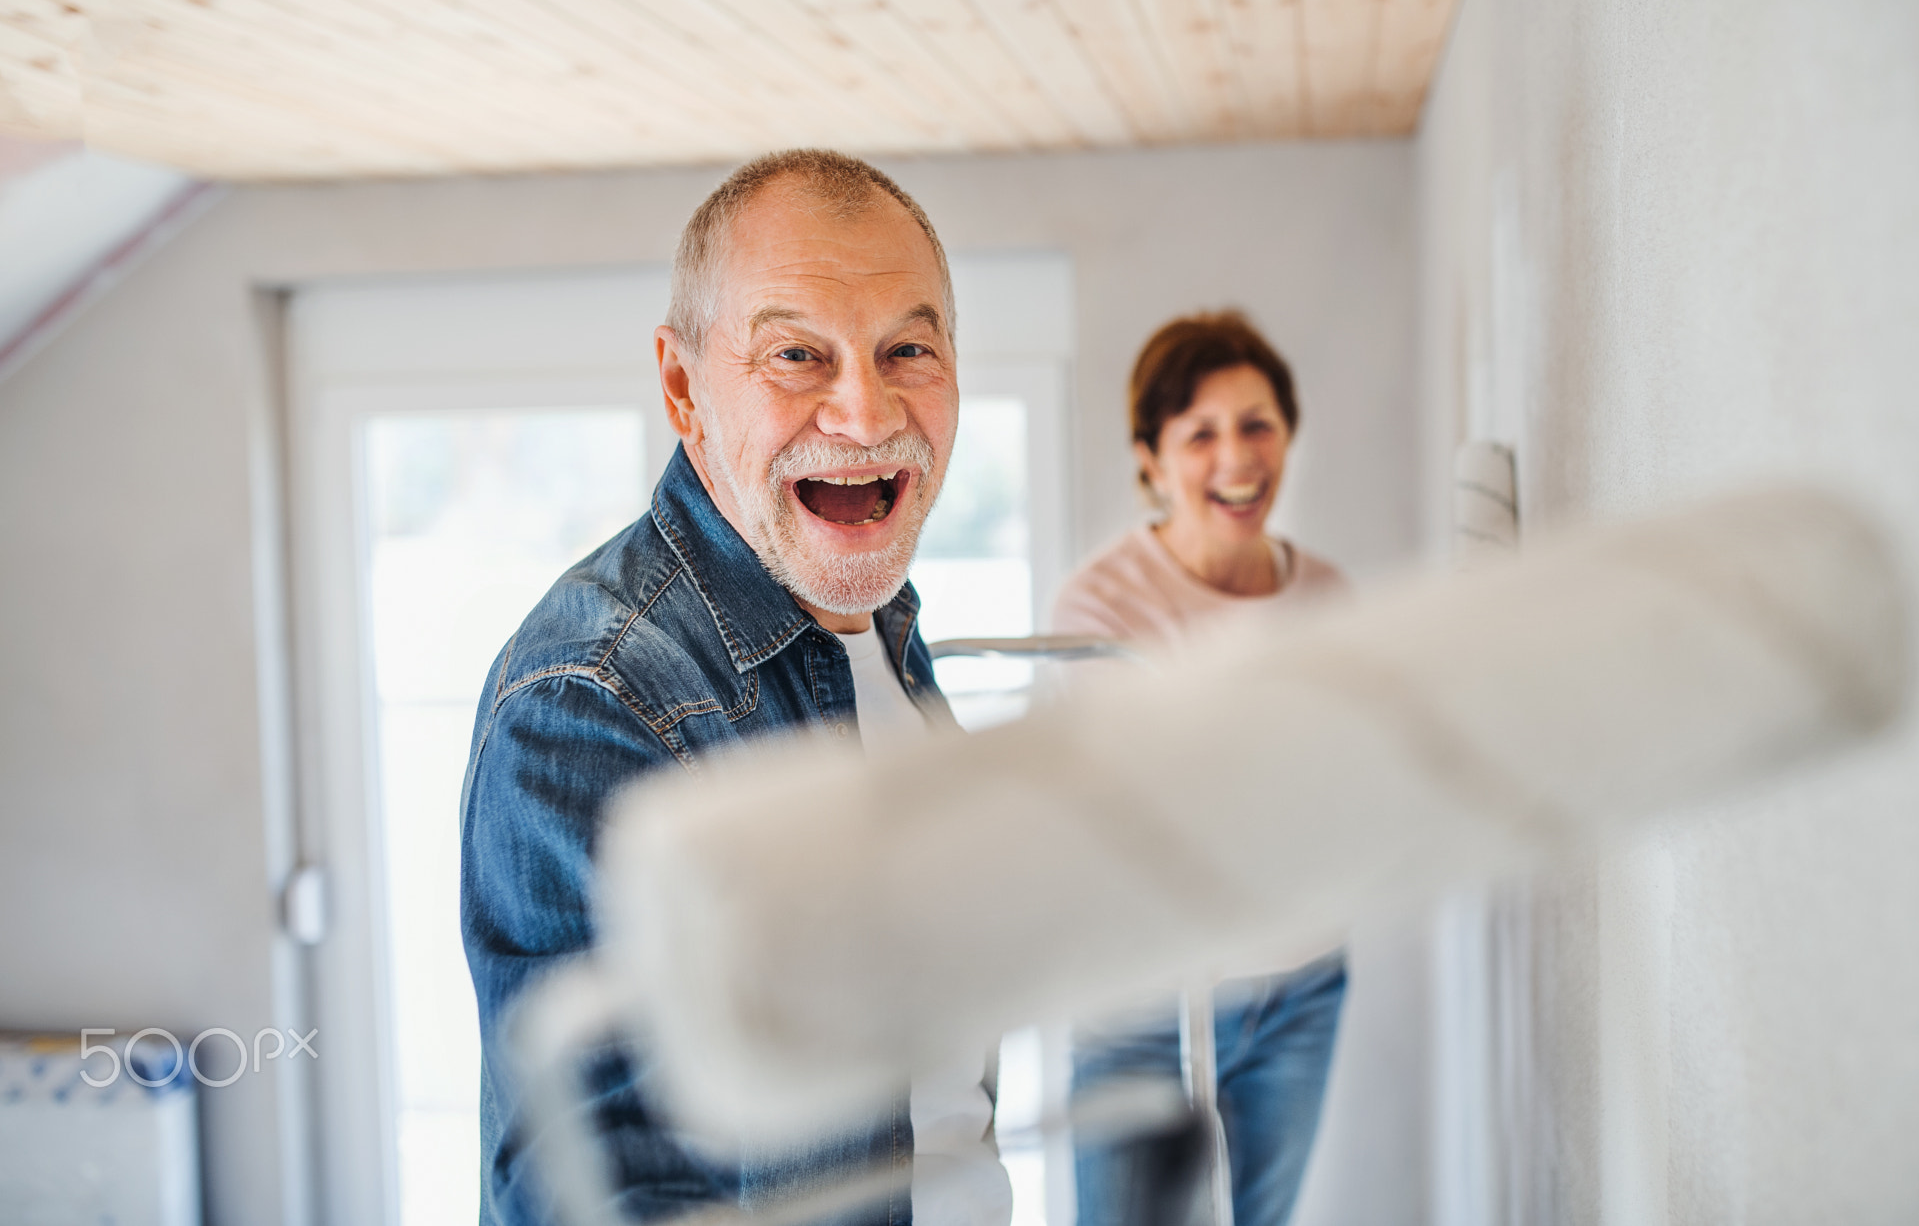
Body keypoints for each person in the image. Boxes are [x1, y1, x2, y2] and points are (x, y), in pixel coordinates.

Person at [460, 149, 1008, 1226]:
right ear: (682, 387)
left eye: (907, 347)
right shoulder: (592, 698)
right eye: (796, 354)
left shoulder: (878, 623)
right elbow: (610, 1200)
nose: (862, 412)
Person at [1053, 310, 1349, 1226]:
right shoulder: (1101, 607)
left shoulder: (1329, 600)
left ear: (1290, 433)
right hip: (1137, 1006)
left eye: (1258, 424)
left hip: (1297, 990)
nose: (1237, 457)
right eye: (1200, 434)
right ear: (1150, 458)